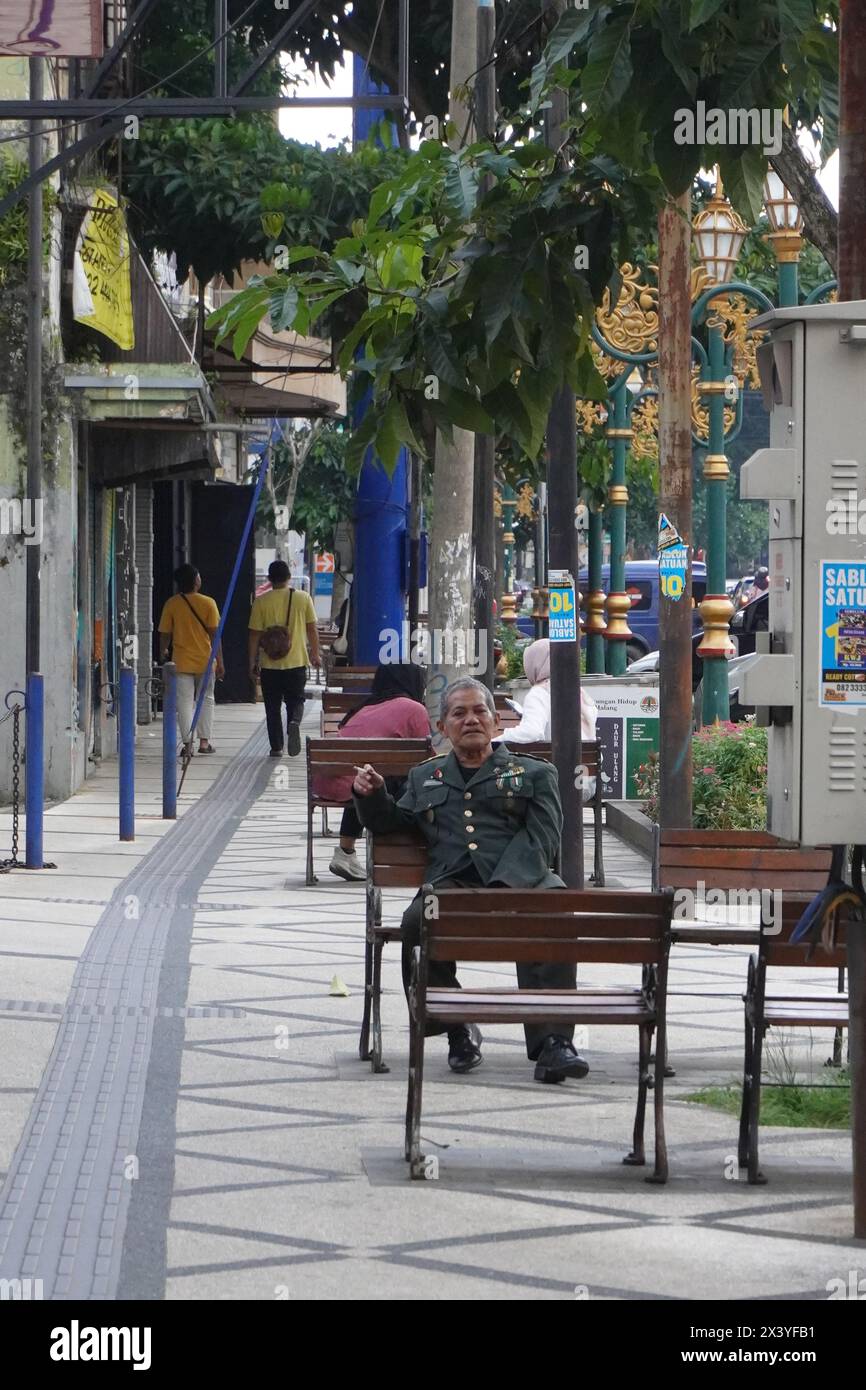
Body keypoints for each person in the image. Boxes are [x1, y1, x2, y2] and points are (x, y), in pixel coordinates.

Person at [352, 677, 588, 1083]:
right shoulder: (425, 777)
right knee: (416, 923)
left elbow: (544, 837)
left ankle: (554, 1043)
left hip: (525, 882)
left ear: (497, 723)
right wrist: (372, 795)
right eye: (458, 713)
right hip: (451, 886)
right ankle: (455, 1028)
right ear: (443, 728)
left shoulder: (534, 773)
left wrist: (504, 887)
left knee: (556, 914)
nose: (471, 719)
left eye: (480, 711)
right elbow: (392, 823)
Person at [312, 662, 430, 882]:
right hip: (361, 784)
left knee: (367, 776)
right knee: (404, 782)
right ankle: (398, 853)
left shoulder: (363, 707)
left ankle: (345, 851)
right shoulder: (414, 709)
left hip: (329, 779)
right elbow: (426, 755)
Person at [501, 639, 599, 800]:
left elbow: (530, 733)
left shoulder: (539, 693)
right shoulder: (579, 692)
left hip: (555, 782)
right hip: (585, 783)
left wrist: (495, 740)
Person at [249, 560, 321, 758]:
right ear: (289, 577)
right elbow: (311, 629)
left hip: (269, 665)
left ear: (269, 579)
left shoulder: (261, 602)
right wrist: (315, 653)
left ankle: (276, 747)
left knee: (272, 707)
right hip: (296, 662)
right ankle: (294, 723)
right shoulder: (303, 598)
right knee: (296, 701)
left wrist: (252, 662)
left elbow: (254, 634)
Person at [158, 563, 223, 757]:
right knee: (206, 700)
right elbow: (215, 636)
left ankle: (187, 744)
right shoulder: (208, 603)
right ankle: (204, 742)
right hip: (205, 660)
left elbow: (164, 634)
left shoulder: (172, 604)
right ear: (196, 581)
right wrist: (220, 661)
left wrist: (163, 651)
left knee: (184, 703)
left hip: (181, 662)